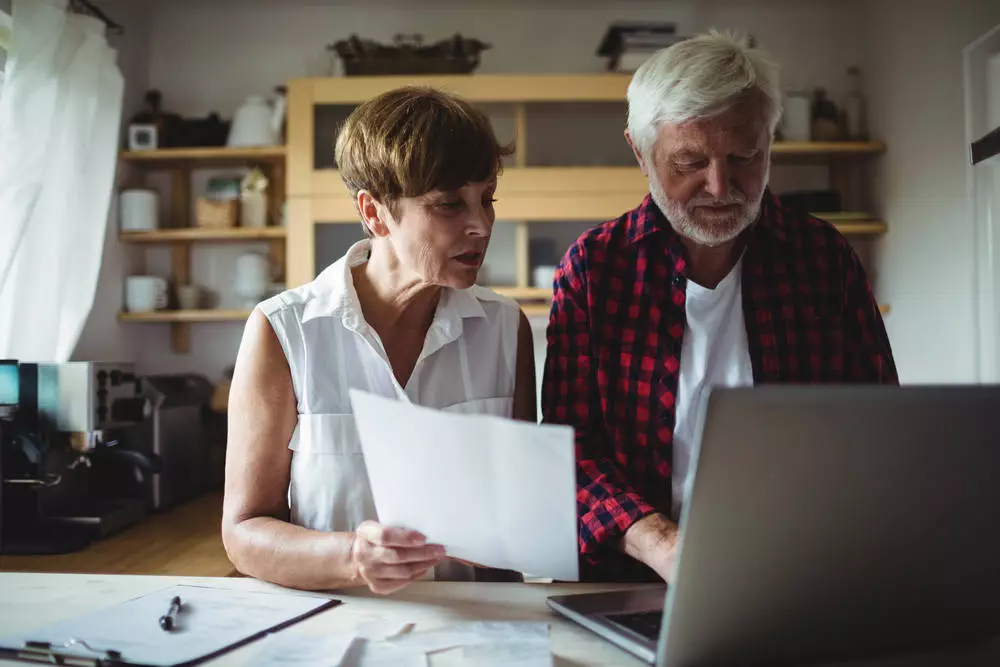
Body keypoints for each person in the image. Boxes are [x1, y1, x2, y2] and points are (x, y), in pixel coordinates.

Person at [542, 30, 898, 583]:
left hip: (802, 568)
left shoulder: (823, 260)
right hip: (633, 575)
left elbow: (878, 428)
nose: (720, 185)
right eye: (689, 161)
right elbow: (569, 450)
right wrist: (663, 545)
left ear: (770, 142)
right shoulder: (594, 269)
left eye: (744, 157)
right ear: (641, 152)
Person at [223, 87, 536, 594]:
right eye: (449, 204)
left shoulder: (504, 329)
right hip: (329, 632)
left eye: (487, 199)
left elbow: (512, 538)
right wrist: (350, 557)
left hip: (471, 633)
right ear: (374, 213)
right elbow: (243, 534)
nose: (481, 225)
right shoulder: (284, 332)